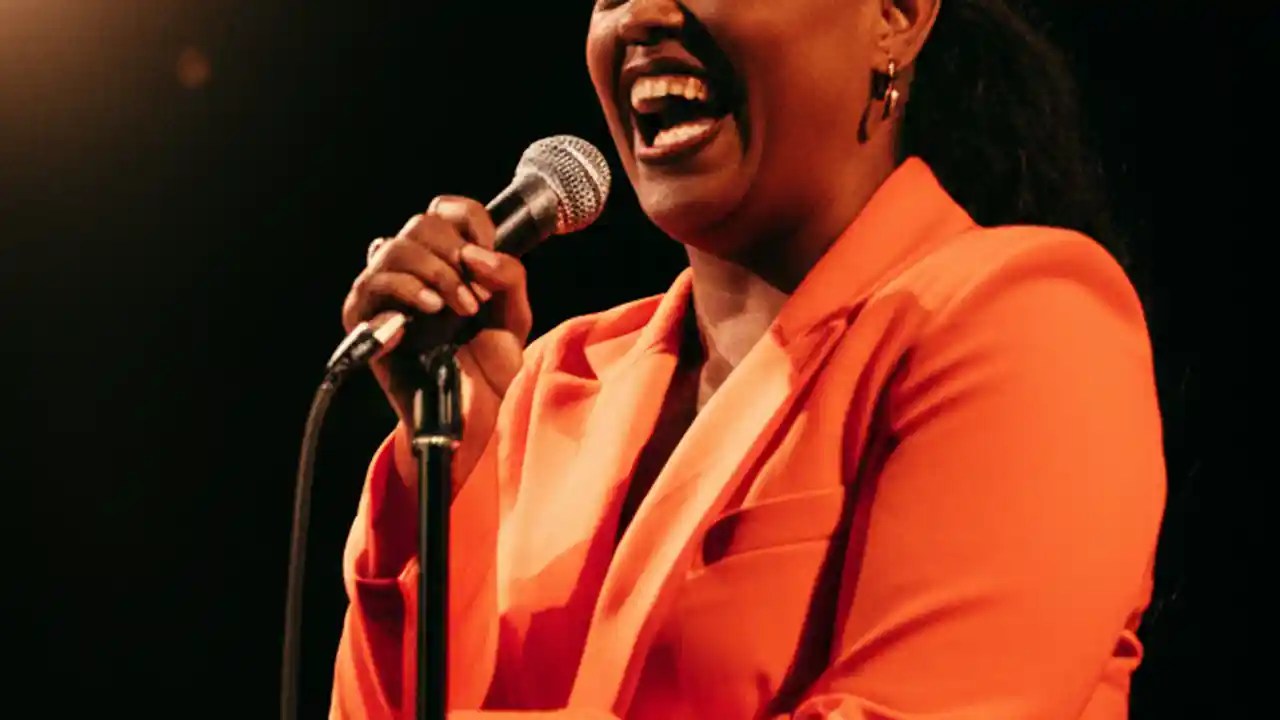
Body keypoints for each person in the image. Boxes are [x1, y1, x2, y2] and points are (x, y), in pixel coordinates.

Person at [330, 0, 1166, 717]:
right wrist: (443, 471)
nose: (642, 14)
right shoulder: (546, 386)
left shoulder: (1022, 316)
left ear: (896, 16)